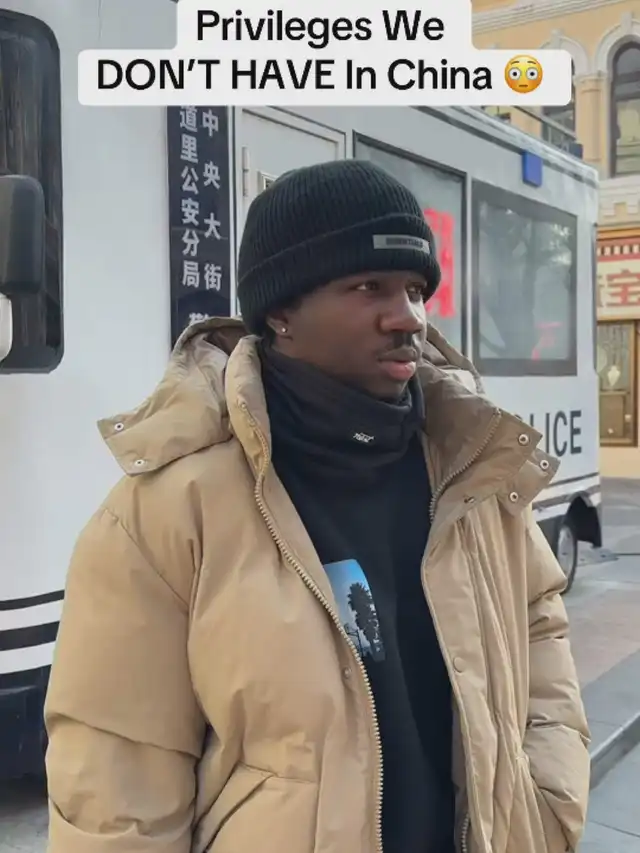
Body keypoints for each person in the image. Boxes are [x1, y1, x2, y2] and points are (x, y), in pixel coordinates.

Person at [44, 159, 590, 853]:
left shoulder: (470, 467)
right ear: (281, 312)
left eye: (415, 289)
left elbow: (539, 622)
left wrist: (547, 797)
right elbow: (116, 776)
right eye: (369, 287)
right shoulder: (169, 510)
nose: (409, 317)